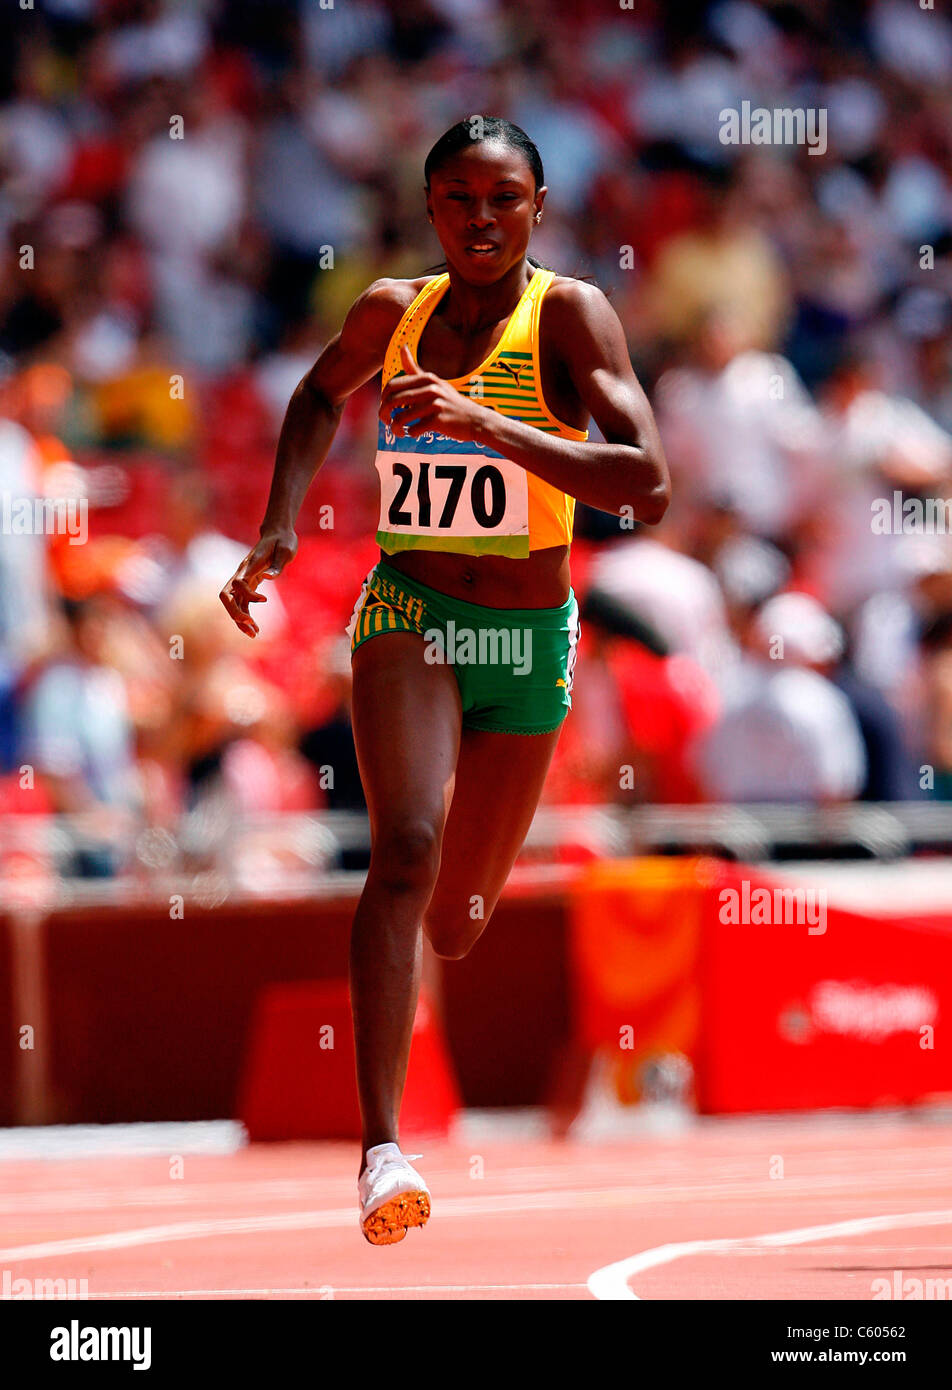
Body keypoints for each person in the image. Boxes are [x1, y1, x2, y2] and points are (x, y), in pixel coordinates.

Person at [219, 117, 670, 1243]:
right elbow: (319, 396)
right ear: (430, 209)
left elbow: (647, 482)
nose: (481, 220)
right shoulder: (389, 311)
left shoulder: (567, 315)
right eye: (459, 200)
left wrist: (491, 426)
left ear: (537, 205)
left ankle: (395, 1101)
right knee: (405, 849)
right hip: (411, 610)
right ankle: (381, 1149)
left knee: (461, 919)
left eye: (503, 200)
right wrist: (279, 523)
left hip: (523, 637)